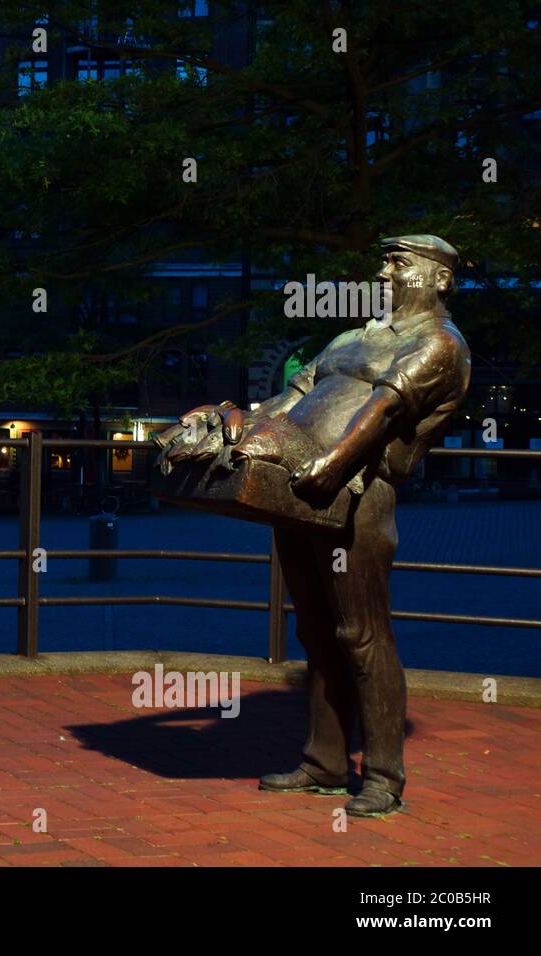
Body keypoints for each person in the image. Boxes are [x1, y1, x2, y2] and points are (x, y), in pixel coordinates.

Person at [155, 235, 471, 817]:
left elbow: (383, 412)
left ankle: (382, 775)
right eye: (386, 260)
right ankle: (325, 762)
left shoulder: (440, 344)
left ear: (440, 279)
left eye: (399, 263)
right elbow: (288, 397)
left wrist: (331, 466)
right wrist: (233, 426)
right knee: (315, 634)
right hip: (299, 492)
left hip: (356, 495)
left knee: (363, 634)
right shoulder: (350, 338)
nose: (384, 271)